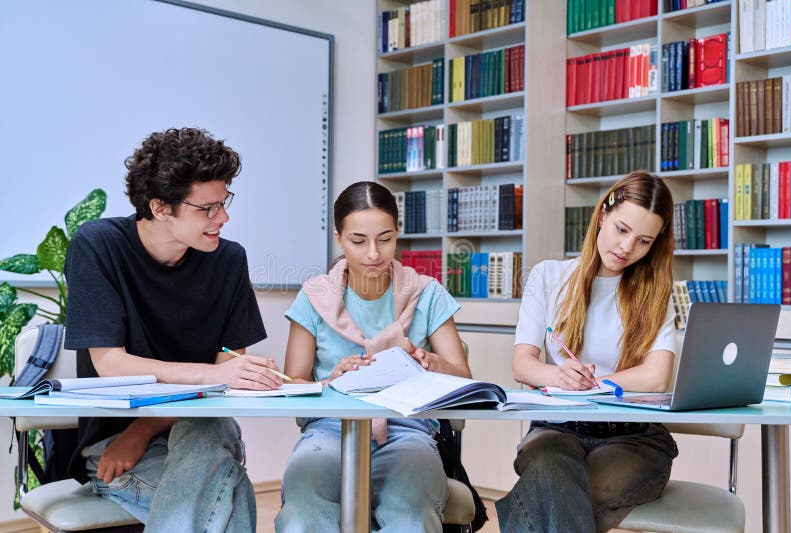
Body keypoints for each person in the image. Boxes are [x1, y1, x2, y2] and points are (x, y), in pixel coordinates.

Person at [64, 127, 284, 533]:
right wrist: (215, 374)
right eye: (208, 209)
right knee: (233, 502)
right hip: (115, 448)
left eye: (224, 203)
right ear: (161, 207)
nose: (224, 218)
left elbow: (226, 378)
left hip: (196, 429)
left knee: (208, 427)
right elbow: (110, 363)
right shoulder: (98, 245)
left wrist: (146, 427)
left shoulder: (228, 260)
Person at [274, 181, 471, 533]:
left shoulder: (427, 294)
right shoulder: (314, 298)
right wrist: (331, 381)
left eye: (385, 239)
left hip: (408, 430)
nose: (373, 255)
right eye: (358, 241)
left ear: (397, 233)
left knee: (409, 513)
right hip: (328, 430)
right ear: (338, 238)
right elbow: (293, 386)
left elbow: (465, 380)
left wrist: (426, 362)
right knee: (304, 511)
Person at [496, 172, 680, 532]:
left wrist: (595, 384)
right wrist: (560, 376)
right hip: (556, 429)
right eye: (621, 229)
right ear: (602, 217)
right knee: (552, 476)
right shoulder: (548, 278)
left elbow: (657, 376)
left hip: (634, 437)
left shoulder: (656, 293)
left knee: (551, 492)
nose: (627, 248)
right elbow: (522, 364)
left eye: (644, 241)